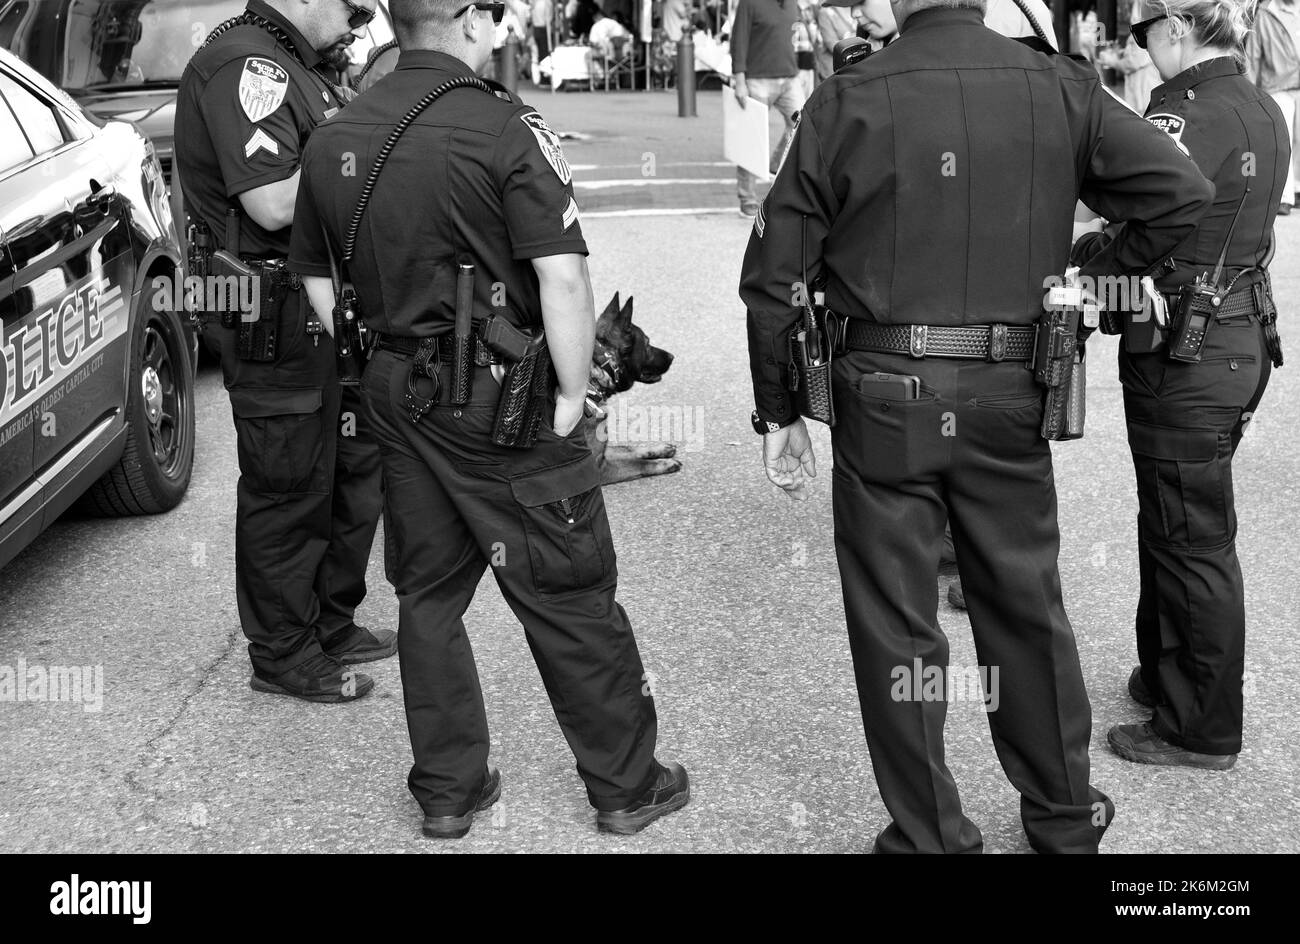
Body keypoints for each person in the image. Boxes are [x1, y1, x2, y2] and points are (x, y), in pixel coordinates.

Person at [741, 0, 1214, 852]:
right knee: (1024, 605)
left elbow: (775, 271)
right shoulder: (1058, 85)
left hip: (884, 387)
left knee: (897, 622)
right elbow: (1183, 192)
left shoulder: (848, 96)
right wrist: (1095, 267)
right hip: (1008, 384)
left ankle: (930, 835)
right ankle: (1064, 816)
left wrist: (781, 411)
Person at [288, 0, 689, 839]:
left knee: (427, 593)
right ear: (467, 20)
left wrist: (387, 354)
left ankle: (449, 789)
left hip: (397, 390)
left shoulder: (333, 134)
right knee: (569, 586)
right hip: (505, 398)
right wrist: (574, 396)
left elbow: (319, 287)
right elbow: (564, 279)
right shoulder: (506, 127)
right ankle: (625, 784)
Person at [1071, 0, 1289, 771]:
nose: (1143, 52)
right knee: (1177, 517)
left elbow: (1151, 206)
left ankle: (1199, 726)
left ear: (1175, 30)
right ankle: (1167, 675)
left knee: (1191, 535)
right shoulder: (1260, 101)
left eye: (1143, 36)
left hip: (1188, 348)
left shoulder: (1182, 111)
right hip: (1234, 336)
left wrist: (1094, 263)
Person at [175, 0, 393, 704]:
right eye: (351, 5)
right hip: (269, 314)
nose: (361, 16)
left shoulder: (301, 63)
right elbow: (271, 201)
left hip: (316, 307)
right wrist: (368, 150)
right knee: (288, 485)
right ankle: (283, 652)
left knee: (347, 470)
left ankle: (328, 622)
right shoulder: (250, 64)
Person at [730, 0, 806, 218]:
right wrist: (740, 79)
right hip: (756, 79)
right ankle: (747, 197)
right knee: (752, 140)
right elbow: (739, 40)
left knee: (804, 125)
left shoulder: (792, 3)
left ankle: (774, 163)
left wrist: (800, 71)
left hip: (790, 78)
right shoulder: (750, 3)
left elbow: (795, 39)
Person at [1244, 0, 1300, 213]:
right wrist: (1249, 96)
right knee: (1282, 142)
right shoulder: (1266, 13)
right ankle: (1284, 197)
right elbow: (1252, 56)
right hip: (1277, 86)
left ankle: (1297, 189)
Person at [1094, 2, 1161, 113]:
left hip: (1143, 94)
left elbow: (1132, 63)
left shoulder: (1143, 29)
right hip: (1143, 92)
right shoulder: (1148, 28)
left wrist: (1110, 61)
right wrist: (1121, 53)